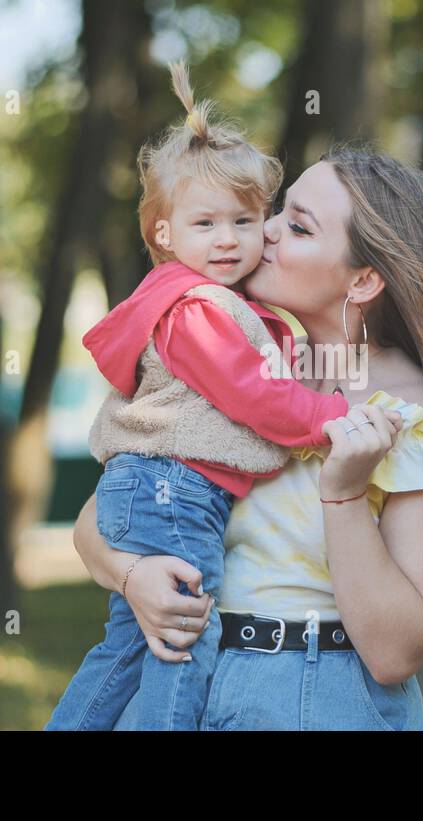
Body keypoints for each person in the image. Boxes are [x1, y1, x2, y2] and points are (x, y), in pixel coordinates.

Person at [61, 146, 423, 730]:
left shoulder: (418, 419)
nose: (262, 231)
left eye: (296, 226)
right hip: (187, 680)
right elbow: (100, 519)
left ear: (365, 279)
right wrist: (132, 577)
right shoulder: (240, 374)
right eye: (278, 212)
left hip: (311, 693)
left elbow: (396, 651)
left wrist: (344, 496)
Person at [44, 62, 354, 731]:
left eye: (244, 221)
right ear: (164, 234)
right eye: (205, 223)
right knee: (187, 636)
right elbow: (258, 398)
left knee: (129, 646)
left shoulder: (209, 303)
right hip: (174, 495)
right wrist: (336, 416)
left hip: (150, 490)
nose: (226, 240)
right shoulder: (199, 310)